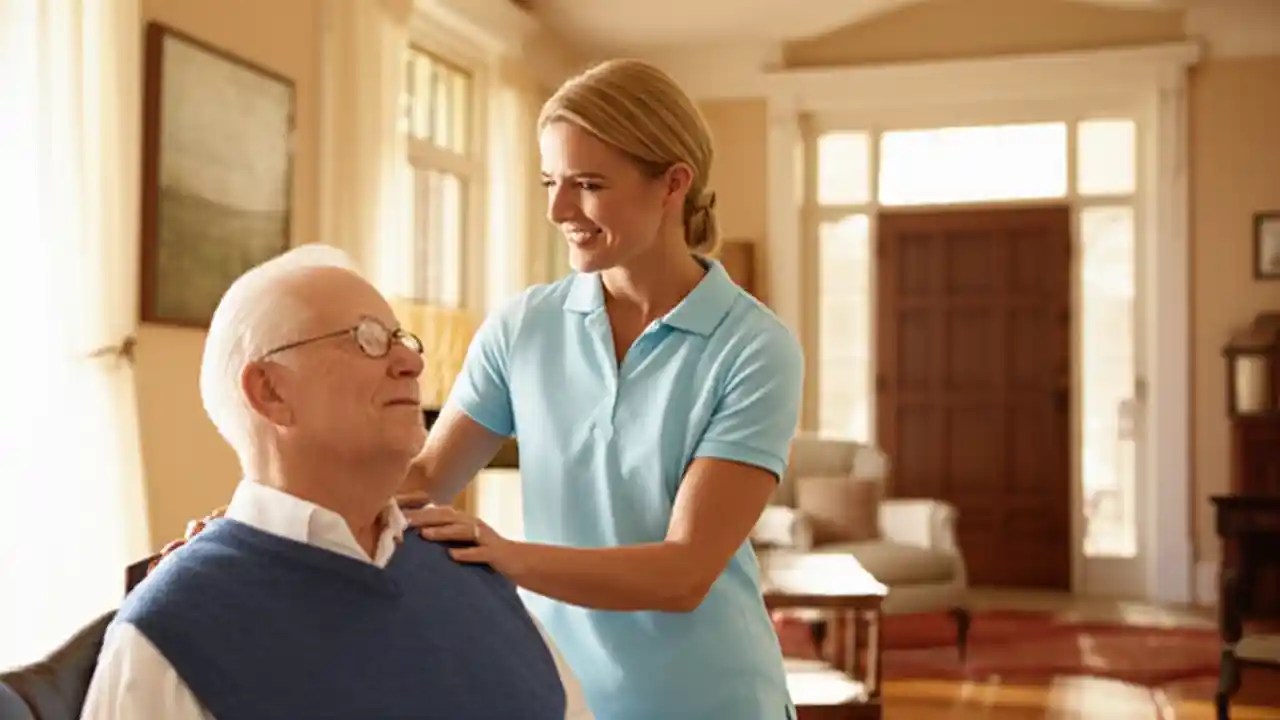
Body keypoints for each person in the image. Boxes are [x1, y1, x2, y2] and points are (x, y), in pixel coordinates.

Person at [401, 59, 804, 719]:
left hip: (710, 701)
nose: (560, 209)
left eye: (588, 184)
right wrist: (260, 516)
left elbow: (684, 573)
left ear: (674, 183)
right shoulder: (523, 327)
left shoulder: (753, 348)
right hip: (558, 697)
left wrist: (504, 555)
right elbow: (421, 479)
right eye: (550, 182)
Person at [80, 245, 593, 720]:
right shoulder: (170, 634)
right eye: (367, 339)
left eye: (402, 340)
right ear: (270, 390)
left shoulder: (469, 573)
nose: (412, 362)